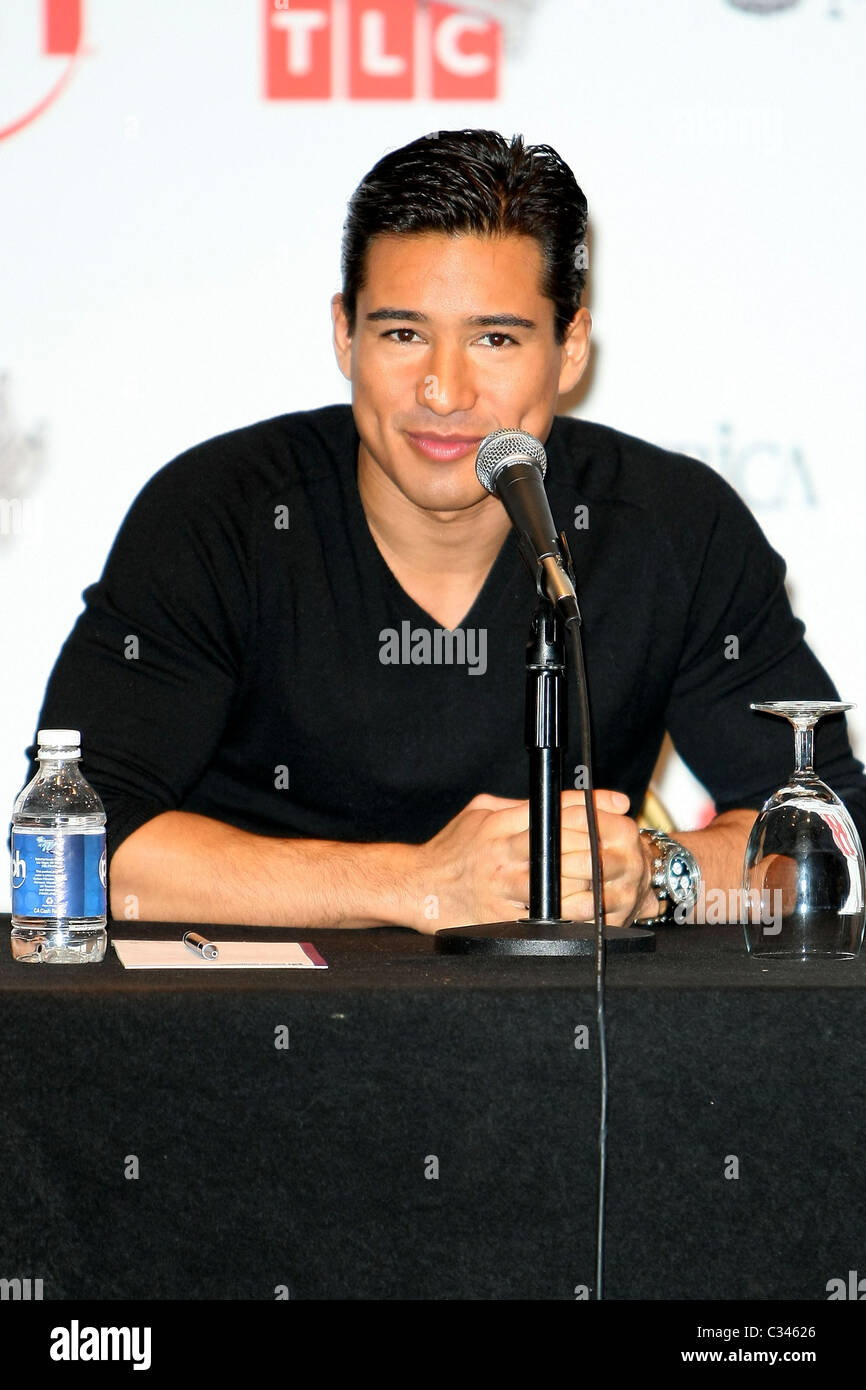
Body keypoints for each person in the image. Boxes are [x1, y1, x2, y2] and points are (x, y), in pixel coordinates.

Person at [26, 129, 866, 932]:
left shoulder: (671, 524)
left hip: (555, 1051)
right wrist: (422, 883)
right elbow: (77, 843)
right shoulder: (219, 514)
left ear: (570, 348)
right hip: (242, 1041)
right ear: (341, 334)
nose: (443, 390)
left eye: (495, 338)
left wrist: (660, 876)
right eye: (402, 333)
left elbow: (838, 839)